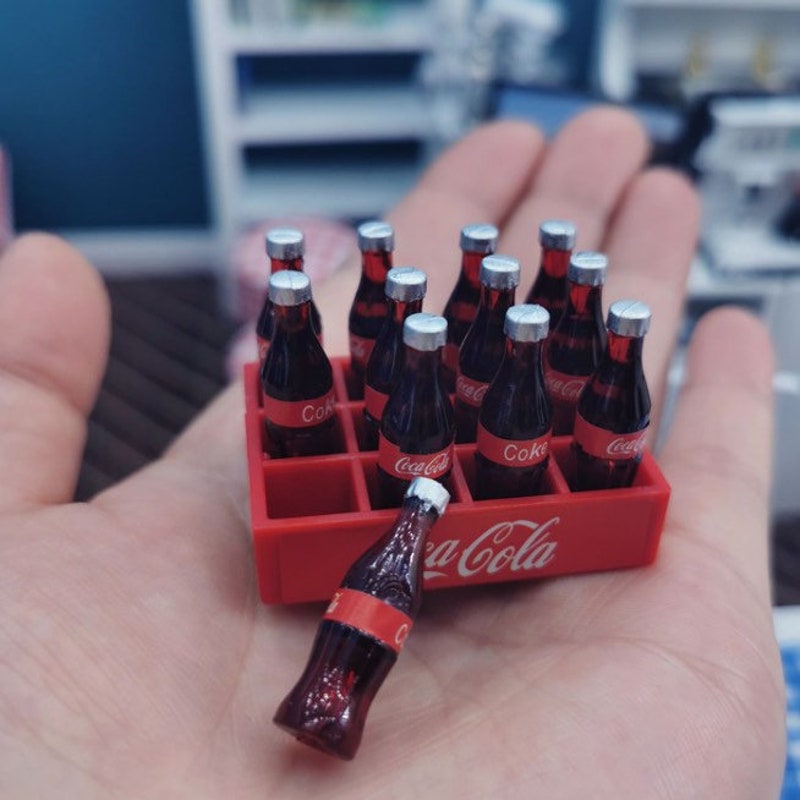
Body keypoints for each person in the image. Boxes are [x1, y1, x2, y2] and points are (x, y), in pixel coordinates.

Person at [0, 107, 786, 798]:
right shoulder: (376, 372)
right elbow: (343, 411)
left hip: (482, 494)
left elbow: (559, 429)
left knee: (478, 452)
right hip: (411, 496)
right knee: (365, 444)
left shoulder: (522, 384)